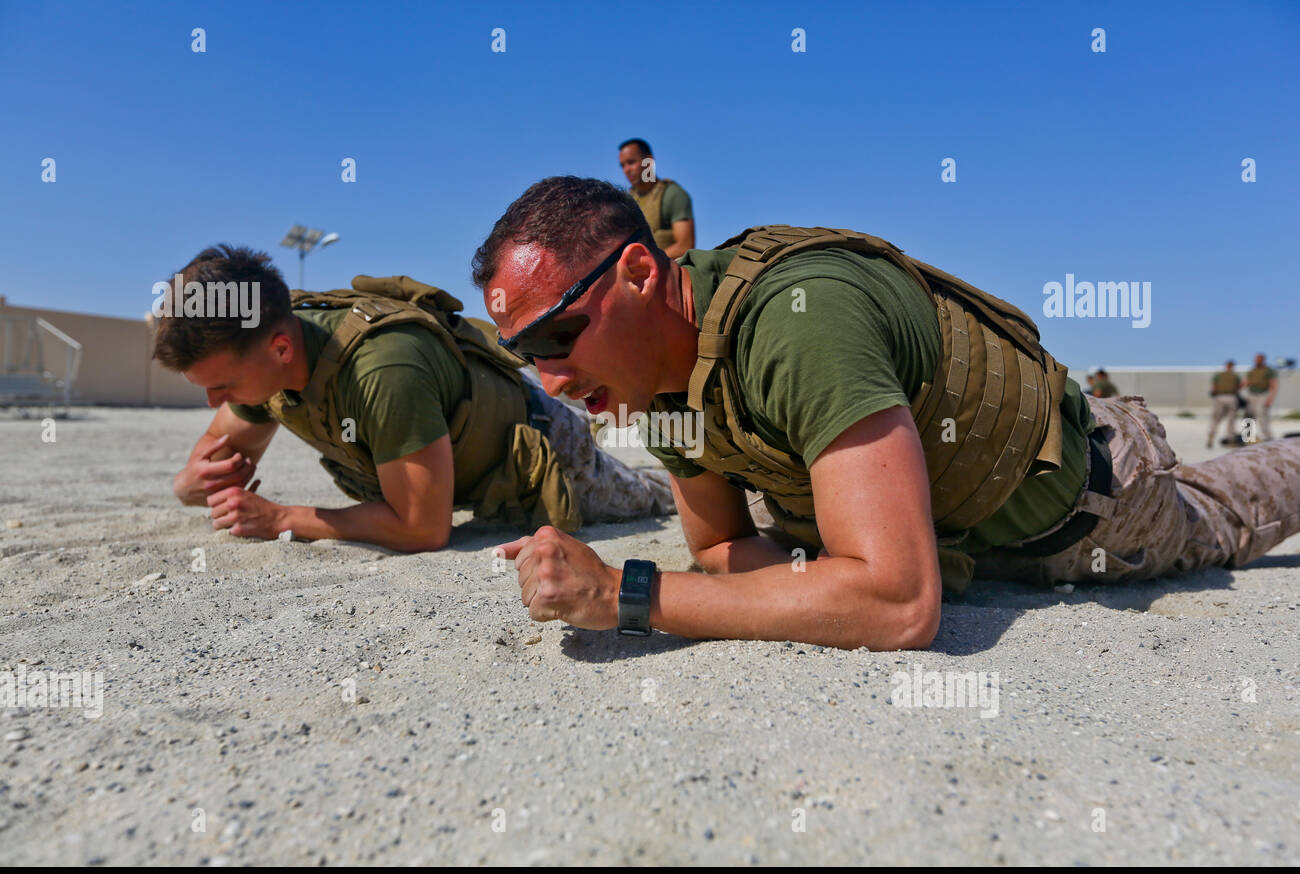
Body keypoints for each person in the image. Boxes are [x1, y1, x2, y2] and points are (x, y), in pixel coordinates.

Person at [472, 176, 1300, 650]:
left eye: (560, 333)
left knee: (1228, 511)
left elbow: (900, 605)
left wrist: (626, 590)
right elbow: (724, 549)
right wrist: (818, 584)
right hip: (952, 521)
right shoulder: (655, 377)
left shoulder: (800, 322)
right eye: (522, 353)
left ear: (641, 275)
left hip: (1090, 508)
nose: (548, 378)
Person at [152, 244, 673, 552]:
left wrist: (280, 519)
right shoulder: (261, 361)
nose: (214, 402)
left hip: (545, 446)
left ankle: (692, 472)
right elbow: (207, 469)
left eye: (221, 387)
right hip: (471, 476)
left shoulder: (382, 370)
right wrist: (186, 485)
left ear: (281, 347)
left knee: (649, 498)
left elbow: (423, 528)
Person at [618, 139, 695, 260]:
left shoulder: (672, 194)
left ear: (648, 162)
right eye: (622, 165)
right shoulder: (626, 201)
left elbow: (685, 246)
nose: (626, 169)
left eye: (631, 162)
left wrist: (645, 260)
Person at [1243, 353, 1278, 441]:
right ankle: (1249, 437)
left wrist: (1270, 398)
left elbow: (1273, 385)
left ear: (1263, 360)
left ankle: (1267, 437)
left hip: (1263, 394)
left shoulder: (1269, 371)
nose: (1256, 361)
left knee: (1262, 415)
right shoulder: (1252, 371)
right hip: (1251, 394)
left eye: (1259, 359)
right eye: (1256, 359)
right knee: (1249, 415)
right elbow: (1246, 382)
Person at [1207, 359, 1241, 448]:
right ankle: (1231, 440)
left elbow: (1214, 387)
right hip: (1231, 397)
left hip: (1220, 397)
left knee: (1216, 419)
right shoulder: (1235, 376)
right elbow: (1238, 387)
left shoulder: (1219, 375)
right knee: (1231, 420)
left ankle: (1210, 438)